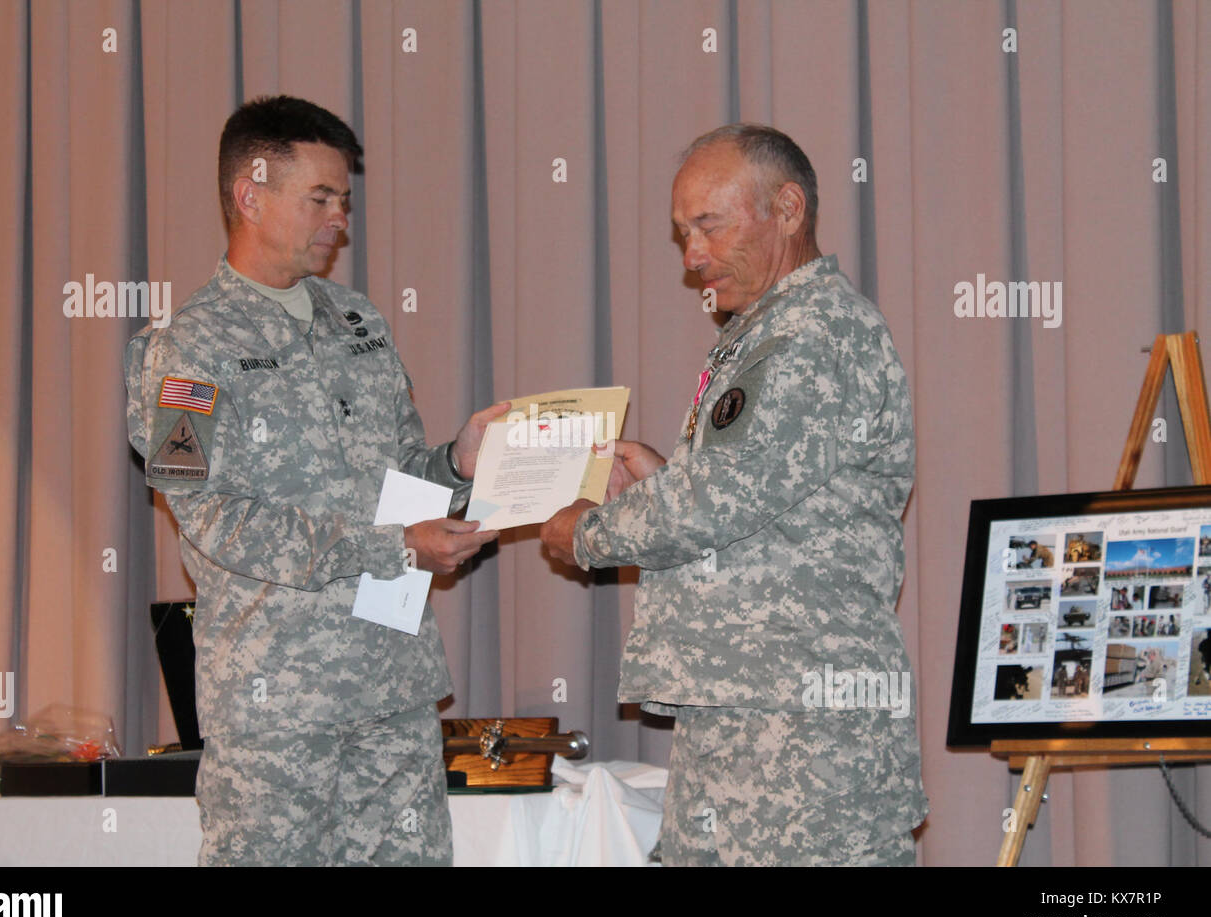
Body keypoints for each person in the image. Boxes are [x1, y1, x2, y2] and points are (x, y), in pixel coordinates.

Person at [123, 95, 505, 865]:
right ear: (250, 195)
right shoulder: (184, 349)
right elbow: (212, 517)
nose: (340, 219)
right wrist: (392, 547)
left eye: (344, 199)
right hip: (277, 706)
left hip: (391, 687)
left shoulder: (357, 322)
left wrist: (457, 465)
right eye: (320, 198)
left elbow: (403, 482)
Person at [541, 124, 928, 866]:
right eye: (684, 232)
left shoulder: (816, 335)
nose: (692, 257)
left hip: (805, 734)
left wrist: (585, 532)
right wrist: (667, 479)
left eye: (708, 225)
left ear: (787, 208)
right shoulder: (765, 333)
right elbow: (746, 501)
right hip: (750, 713)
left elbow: (713, 502)